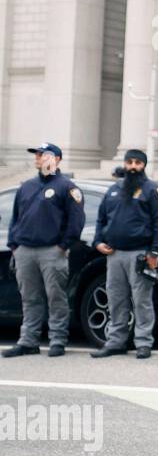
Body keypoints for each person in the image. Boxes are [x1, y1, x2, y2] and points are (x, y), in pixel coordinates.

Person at [3, 143, 85, 358]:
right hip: (25, 250)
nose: (38, 158)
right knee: (29, 298)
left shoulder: (67, 187)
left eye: (43, 155)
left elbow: (76, 221)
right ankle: (28, 340)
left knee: (56, 297)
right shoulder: (27, 186)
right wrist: (14, 244)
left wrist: (63, 245)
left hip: (52, 250)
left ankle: (58, 340)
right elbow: (15, 218)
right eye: (37, 155)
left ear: (56, 159)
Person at [91, 148, 158, 360]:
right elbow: (101, 219)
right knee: (116, 300)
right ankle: (116, 342)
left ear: (144, 165)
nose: (133, 166)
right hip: (114, 255)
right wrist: (98, 241)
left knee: (141, 301)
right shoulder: (114, 190)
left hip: (140, 254)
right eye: (130, 162)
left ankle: (143, 342)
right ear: (125, 164)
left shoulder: (152, 190)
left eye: (138, 162)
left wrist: (155, 251)